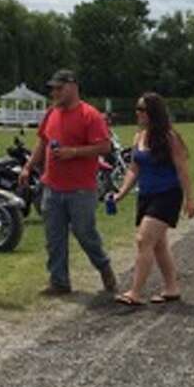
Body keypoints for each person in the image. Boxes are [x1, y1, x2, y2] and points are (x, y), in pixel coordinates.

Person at [17, 69, 117, 297]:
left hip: (81, 189)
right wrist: (28, 166)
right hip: (52, 186)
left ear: (72, 86)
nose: (55, 92)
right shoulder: (51, 113)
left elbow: (104, 147)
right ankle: (59, 281)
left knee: (85, 233)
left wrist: (73, 152)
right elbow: (42, 142)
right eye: (52, 89)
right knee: (54, 237)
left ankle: (104, 267)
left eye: (59, 88)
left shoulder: (90, 115)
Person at [108, 92, 194, 306]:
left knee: (143, 240)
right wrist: (120, 193)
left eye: (141, 109)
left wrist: (190, 199)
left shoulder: (169, 137)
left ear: (153, 113)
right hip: (146, 195)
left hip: (167, 195)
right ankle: (172, 288)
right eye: (137, 109)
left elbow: (182, 169)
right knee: (158, 245)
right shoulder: (139, 137)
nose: (137, 113)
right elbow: (133, 169)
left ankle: (135, 292)